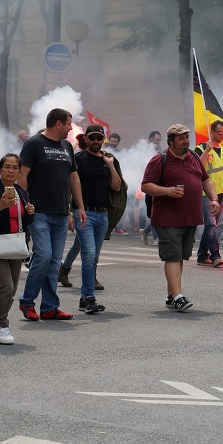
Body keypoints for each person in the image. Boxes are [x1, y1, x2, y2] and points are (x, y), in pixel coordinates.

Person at [141, 123, 221, 312]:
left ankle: (171, 296)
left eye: (186, 138)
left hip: (190, 217)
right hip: (168, 218)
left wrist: (214, 199)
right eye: (181, 139)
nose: (186, 141)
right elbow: (146, 186)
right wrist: (167, 191)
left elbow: (205, 179)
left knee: (179, 258)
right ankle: (178, 296)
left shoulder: (193, 156)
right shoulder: (160, 160)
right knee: (172, 257)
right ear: (171, 141)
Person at [18, 108, 86, 321]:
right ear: (58, 123)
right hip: (38, 212)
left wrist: (78, 208)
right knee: (44, 256)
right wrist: (25, 204)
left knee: (54, 261)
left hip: (59, 213)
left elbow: (73, 178)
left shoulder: (66, 146)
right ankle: (27, 301)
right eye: (68, 124)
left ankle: (49, 307)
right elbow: (23, 175)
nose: (70, 129)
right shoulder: (34, 144)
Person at [0, 154, 35, 345]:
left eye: (15, 167)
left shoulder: (22, 192)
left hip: (16, 245)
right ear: (0, 170)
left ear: (19, 171)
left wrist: (29, 214)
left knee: (12, 289)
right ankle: (2, 325)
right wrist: (0, 206)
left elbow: (25, 223)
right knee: (6, 286)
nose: (11, 171)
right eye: (7, 167)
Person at [73, 124, 123, 314]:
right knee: (89, 254)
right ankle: (90, 297)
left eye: (98, 138)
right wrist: (73, 212)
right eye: (92, 138)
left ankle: (84, 299)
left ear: (103, 139)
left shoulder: (108, 160)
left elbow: (117, 187)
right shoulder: (77, 160)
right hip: (84, 213)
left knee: (93, 258)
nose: (95, 141)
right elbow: (70, 186)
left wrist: (110, 165)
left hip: (102, 215)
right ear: (85, 138)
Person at [194, 119, 223, 268]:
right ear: (212, 132)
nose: (222, 135)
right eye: (219, 132)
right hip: (207, 193)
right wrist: (207, 150)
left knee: (214, 225)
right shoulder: (201, 148)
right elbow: (197, 167)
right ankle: (215, 255)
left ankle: (202, 255)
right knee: (211, 225)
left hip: (222, 193)